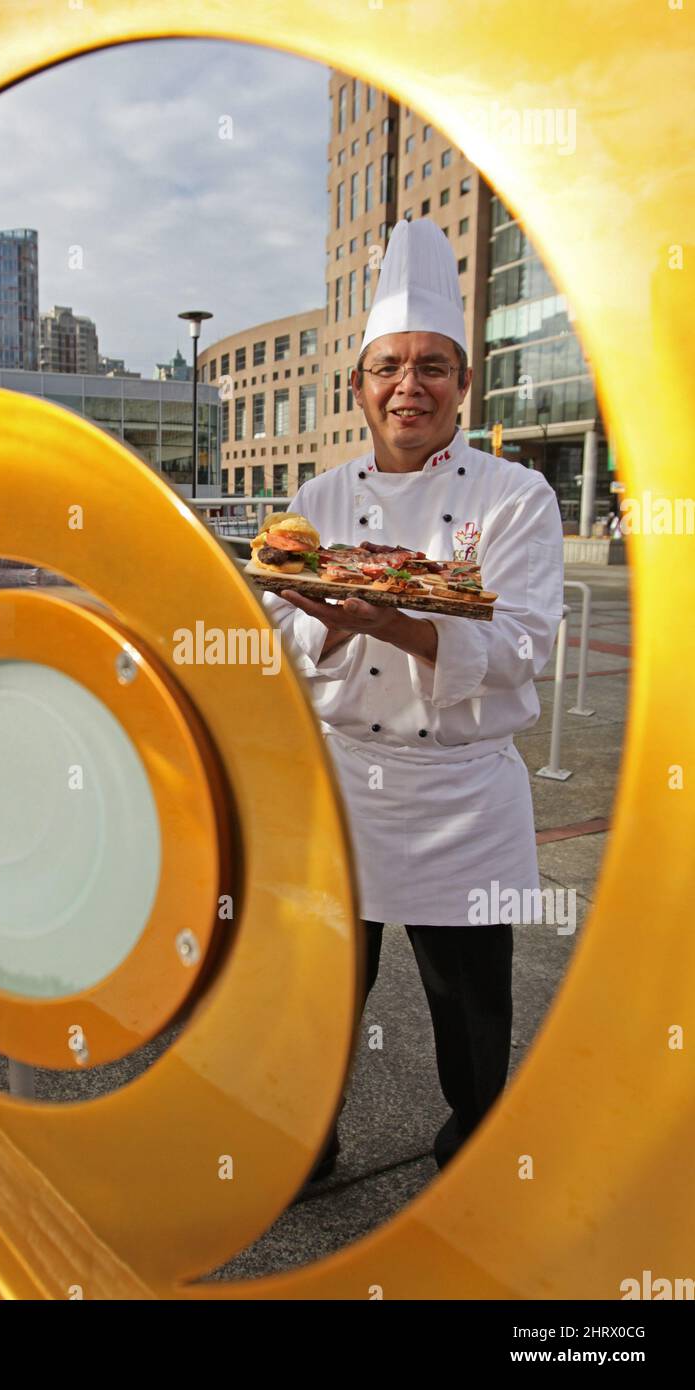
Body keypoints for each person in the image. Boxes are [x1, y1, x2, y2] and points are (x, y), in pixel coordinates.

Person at [262, 218, 564, 1180]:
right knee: (317, 991)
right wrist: (336, 623)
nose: (409, 385)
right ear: (356, 386)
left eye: (432, 365)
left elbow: (524, 645)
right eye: (388, 365)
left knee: (473, 1002)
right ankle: (304, 1145)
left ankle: (476, 1142)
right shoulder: (313, 498)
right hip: (342, 783)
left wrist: (395, 618)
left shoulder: (516, 497)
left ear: (463, 384)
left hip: (464, 797)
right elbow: (275, 640)